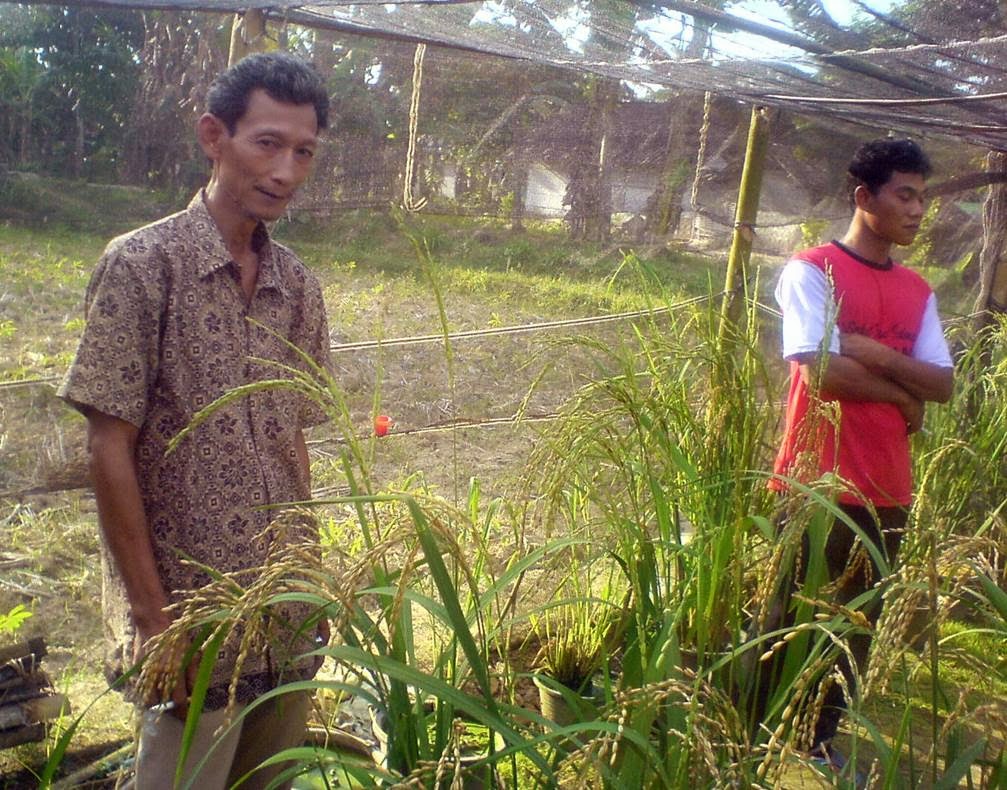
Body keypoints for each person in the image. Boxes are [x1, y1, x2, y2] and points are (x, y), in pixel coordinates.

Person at [59, 52, 332, 789]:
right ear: (214, 136)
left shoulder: (297, 286)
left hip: (283, 612)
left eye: (304, 152)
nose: (285, 171)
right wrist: (155, 621)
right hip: (191, 617)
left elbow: (291, 438)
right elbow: (108, 446)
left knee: (269, 778)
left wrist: (309, 578)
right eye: (267, 143)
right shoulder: (142, 266)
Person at [763, 138, 954, 768]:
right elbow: (820, 370)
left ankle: (816, 744)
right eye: (905, 195)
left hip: (888, 488)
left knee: (855, 628)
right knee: (788, 621)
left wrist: (871, 353)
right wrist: (902, 396)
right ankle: (755, 738)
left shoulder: (918, 291)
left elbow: (943, 385)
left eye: (922, 197)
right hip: (816, 482)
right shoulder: (811, 271)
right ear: (864, 196)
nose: (918, 210)